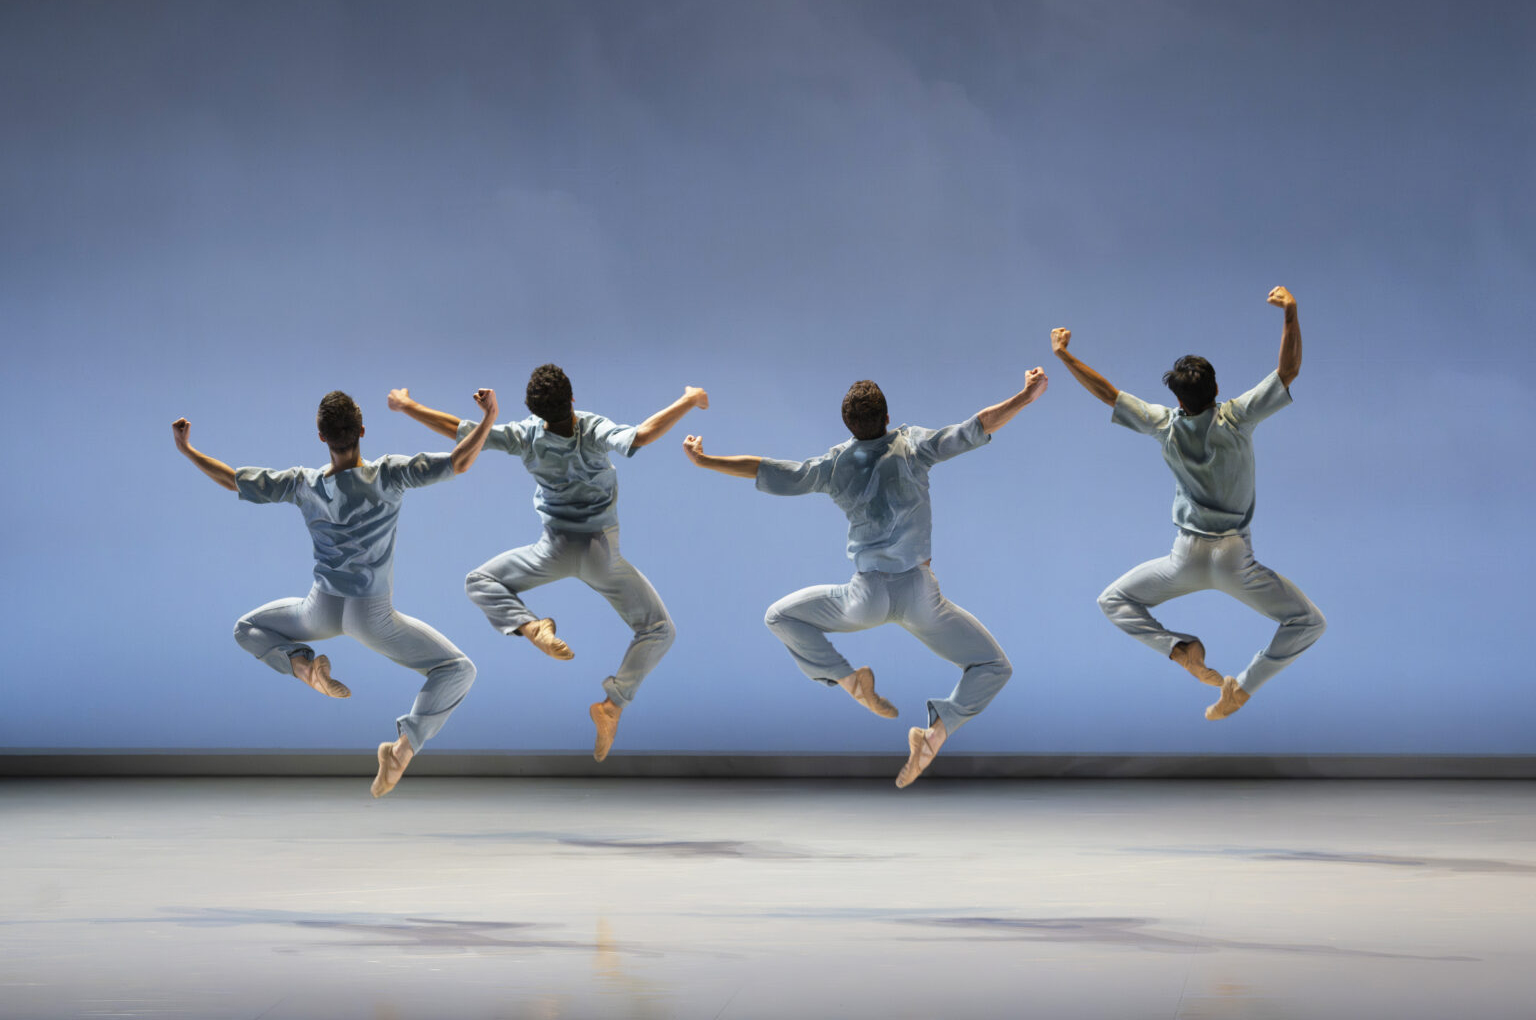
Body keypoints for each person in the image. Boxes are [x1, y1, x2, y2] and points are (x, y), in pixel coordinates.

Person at [682, 368, 1048, 787]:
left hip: (866, 595)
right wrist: (1025, 396)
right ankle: (936, 734)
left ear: (849, 427)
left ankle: (850, 681)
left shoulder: (834, 465)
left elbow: (771, 470)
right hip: (920, 595)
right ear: (888, 418)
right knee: (993, 666)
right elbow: (975, 427)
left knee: (779, 616)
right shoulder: (913, 446)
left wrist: (705, 460)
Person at [171, 388, 498, 797]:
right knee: (458, 669)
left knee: (246, 628)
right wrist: (488, 418)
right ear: (362, 430)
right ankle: (402, 749)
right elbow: (460, 462)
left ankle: (303, 668)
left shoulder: (302, 484)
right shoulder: (389, 475)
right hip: (372, 615)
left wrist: (187, 450)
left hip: (319, 609)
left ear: (322, 437)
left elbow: (231, 480)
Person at [387, 366, 708, 761]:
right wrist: (688, 400)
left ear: (537, 413)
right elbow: (640, 436)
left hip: (552, 549)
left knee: (480, 580)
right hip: (600, 554)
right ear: (572, 400)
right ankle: (613, 703)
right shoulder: (590, 429)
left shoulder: (527, 435)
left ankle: (530, 625)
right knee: (658, 629)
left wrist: (407, 405)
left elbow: (462, 430)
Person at [1049, 286, 1326, 720]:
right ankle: (1242, 688)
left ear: (1179, 401)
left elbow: (1108, 393)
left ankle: (1180, 649)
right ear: (1216, 387)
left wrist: (1065, 356)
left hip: (1185, 556)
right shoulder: (1237, 416)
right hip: (1236, 559)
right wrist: (1290, 312)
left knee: (1113, 600)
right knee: (1308, 622)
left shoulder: (1165, 424)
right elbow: (1287, 370)